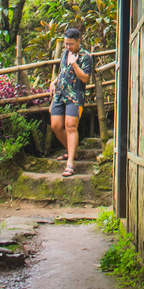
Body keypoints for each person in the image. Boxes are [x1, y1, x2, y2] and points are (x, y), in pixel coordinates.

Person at [48, 28, 92, 177]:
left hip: (75, 96)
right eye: (66, 44)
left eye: (71, 44)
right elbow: (62, 71)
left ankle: (70, 163)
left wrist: (74, 64)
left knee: (71, 126)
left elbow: (85, 78)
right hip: (60, 93)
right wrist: (54, 82)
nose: (68, 47)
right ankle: (72, 152)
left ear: (79, 41)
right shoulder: (64, 53)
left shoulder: (85, 57)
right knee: (56, 125)